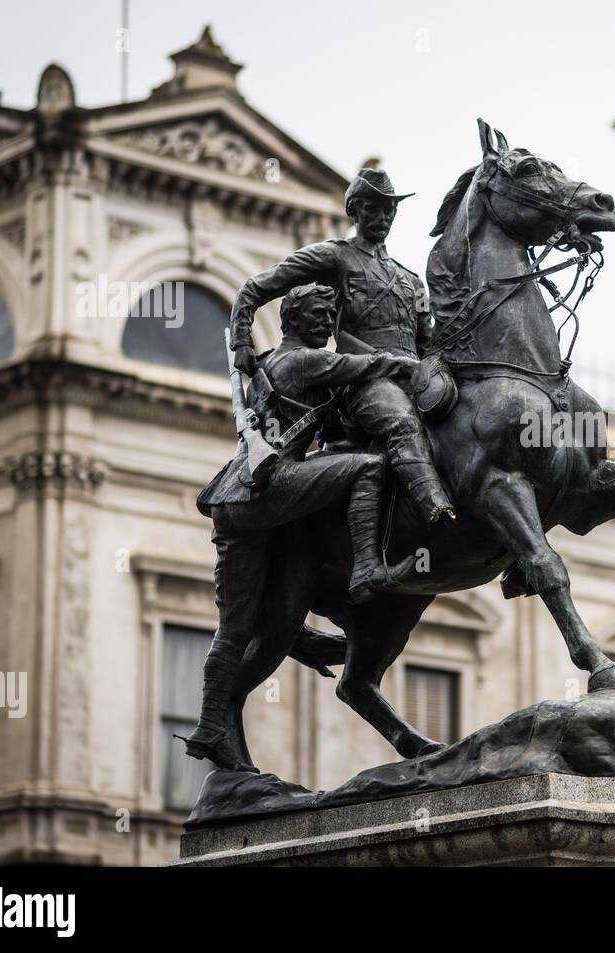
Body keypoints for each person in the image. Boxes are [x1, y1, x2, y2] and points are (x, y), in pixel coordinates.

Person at [184, 282, 416, 770]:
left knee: (236, 626)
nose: (325, 324)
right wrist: (411, 363)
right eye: (315, 314)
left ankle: (211, 725)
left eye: (329, 316)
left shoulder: (270, 363)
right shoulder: (302, 361)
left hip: (236, 501)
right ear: (291, 318)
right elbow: (369, 366)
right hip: (270, 487)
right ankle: (367, 568)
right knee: (369, 467)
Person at [228, 167, 455, 525]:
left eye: (388, 210)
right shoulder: (336, 257)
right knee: (401, 421)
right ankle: (435, 507)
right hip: (365, 382)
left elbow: (429, 343)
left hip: (414, 376)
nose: (382, 217)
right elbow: (255, 288)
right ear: (355, 210)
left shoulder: (412, 280)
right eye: (373, 208)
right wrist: (242, 338)